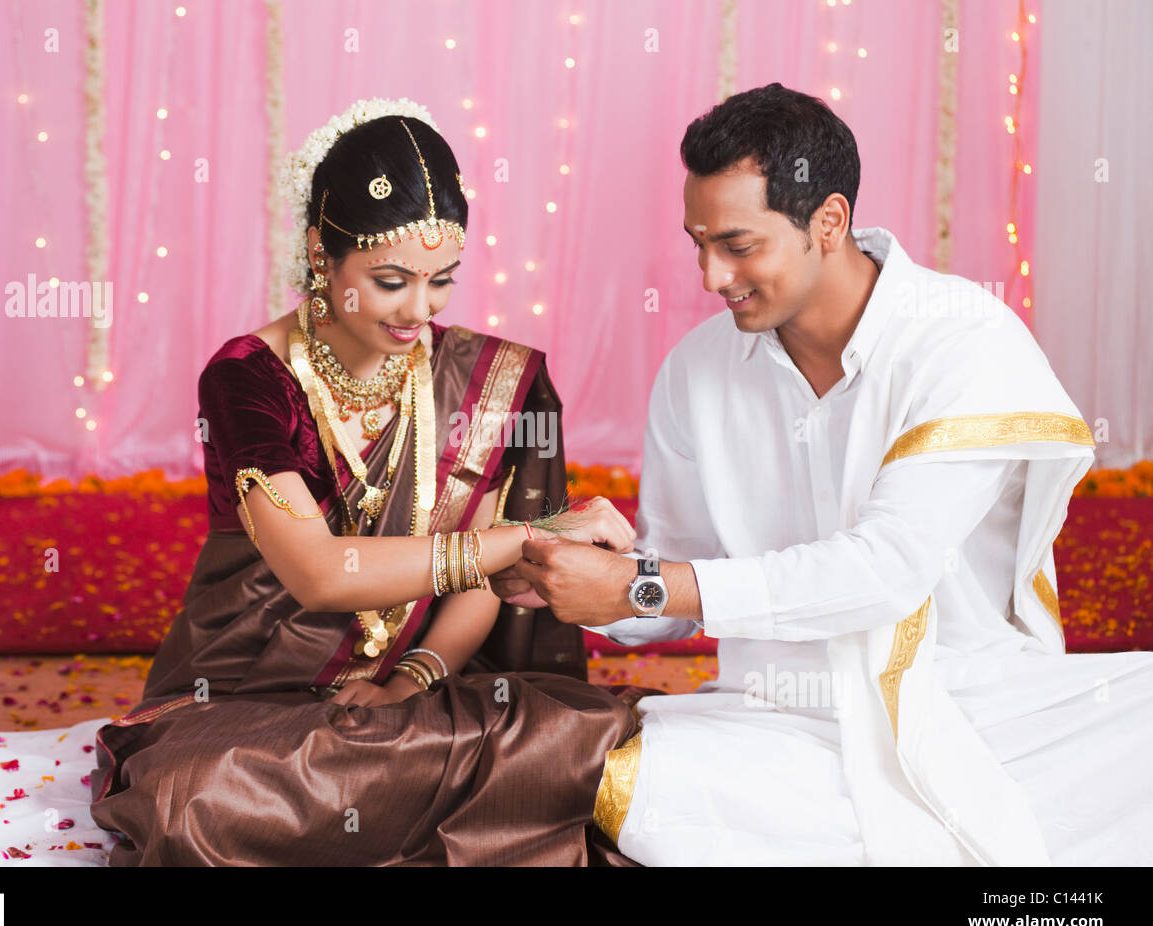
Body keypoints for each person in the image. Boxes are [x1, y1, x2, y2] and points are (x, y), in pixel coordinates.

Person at [493, 83, 1153, 866]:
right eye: (697, 242)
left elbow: (885, 572)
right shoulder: (695, 372)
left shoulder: (963, 341)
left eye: (738, 245)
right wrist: (570, 578)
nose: (710, 275)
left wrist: (648, 585)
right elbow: (671, 594)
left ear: (829, 223)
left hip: (978, 709)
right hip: (771, 726)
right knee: (632, 781)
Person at [89, 99, 651, 865]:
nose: (419, 310)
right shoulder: (250, 379)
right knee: (195, 796)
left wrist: (413, 680)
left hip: (410, 701)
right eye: (390, 281)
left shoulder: (485, 383)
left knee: (584, 736)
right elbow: (319, 576)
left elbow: (478, 588)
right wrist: (524, 538)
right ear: (322, 254)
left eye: (441, 281)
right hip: (249, 702)